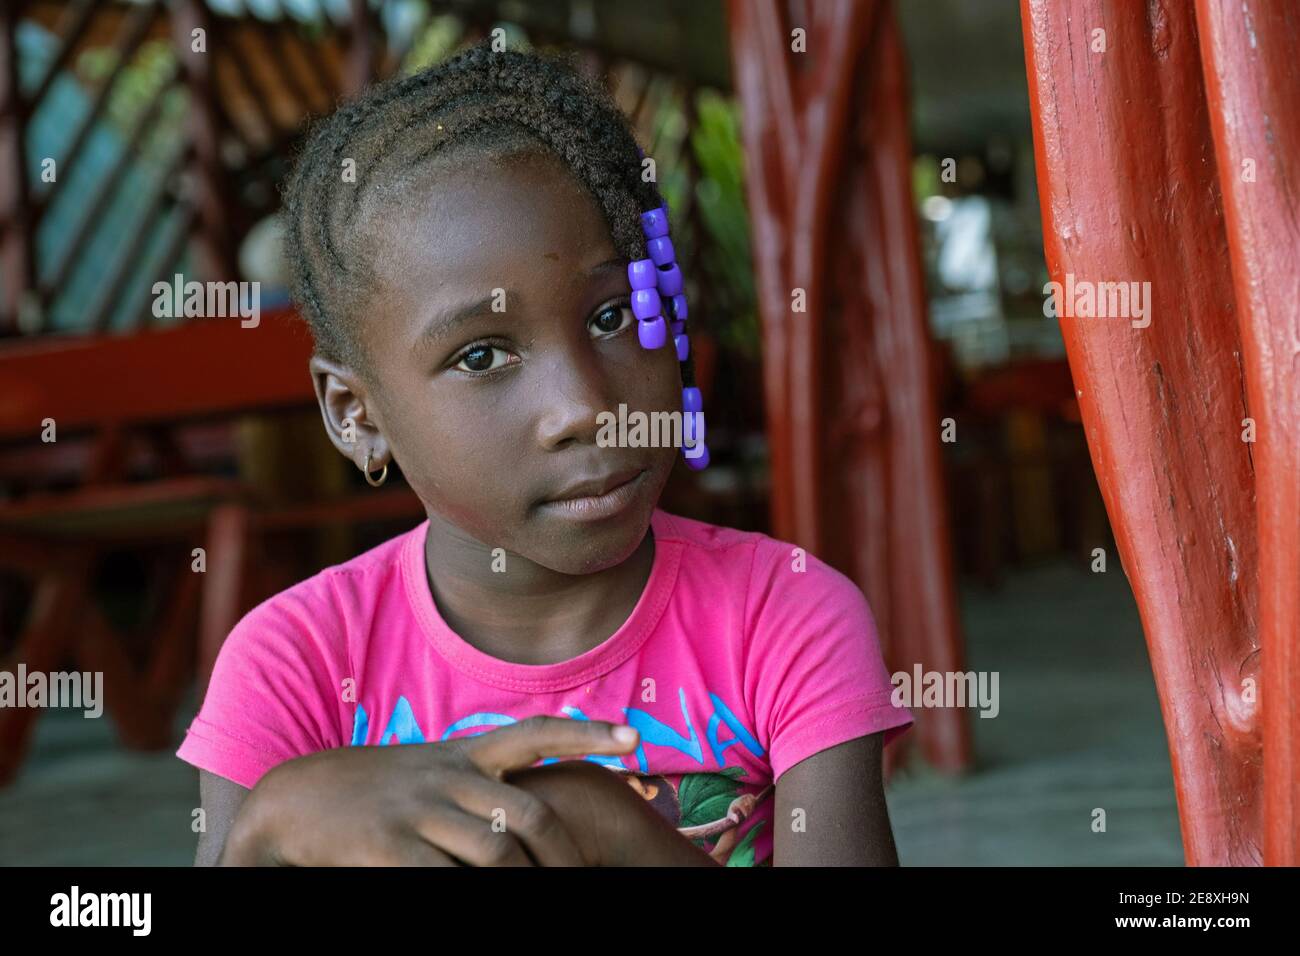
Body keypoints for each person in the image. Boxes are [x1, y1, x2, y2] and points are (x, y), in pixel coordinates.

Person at [177, 40, 914, 866]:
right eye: (482, 355)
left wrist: (604, 831)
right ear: (356, 414)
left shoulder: (785, 619)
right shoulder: (297, 664)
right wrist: (270, 825)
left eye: (612, 318)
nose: (583, 408)